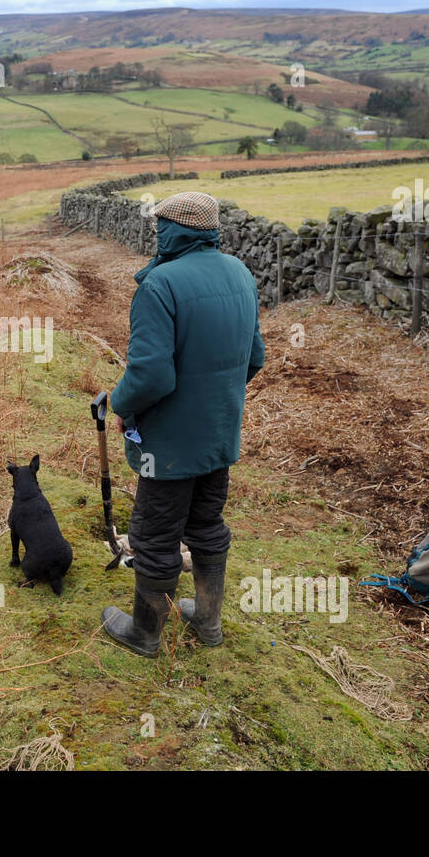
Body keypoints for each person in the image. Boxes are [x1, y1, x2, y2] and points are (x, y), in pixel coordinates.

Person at [101, 191, 265, 657]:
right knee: (207, 523)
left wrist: (121, 406)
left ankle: (145, 634)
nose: (157, 236)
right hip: (219, 432)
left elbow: (151, 375)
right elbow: (254, 357)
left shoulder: (160, 285)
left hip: (168, 444)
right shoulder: (240, 273)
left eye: (160, 228)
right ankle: (208, 622)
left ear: (173, 230)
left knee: (154, 534)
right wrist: (216, 397)